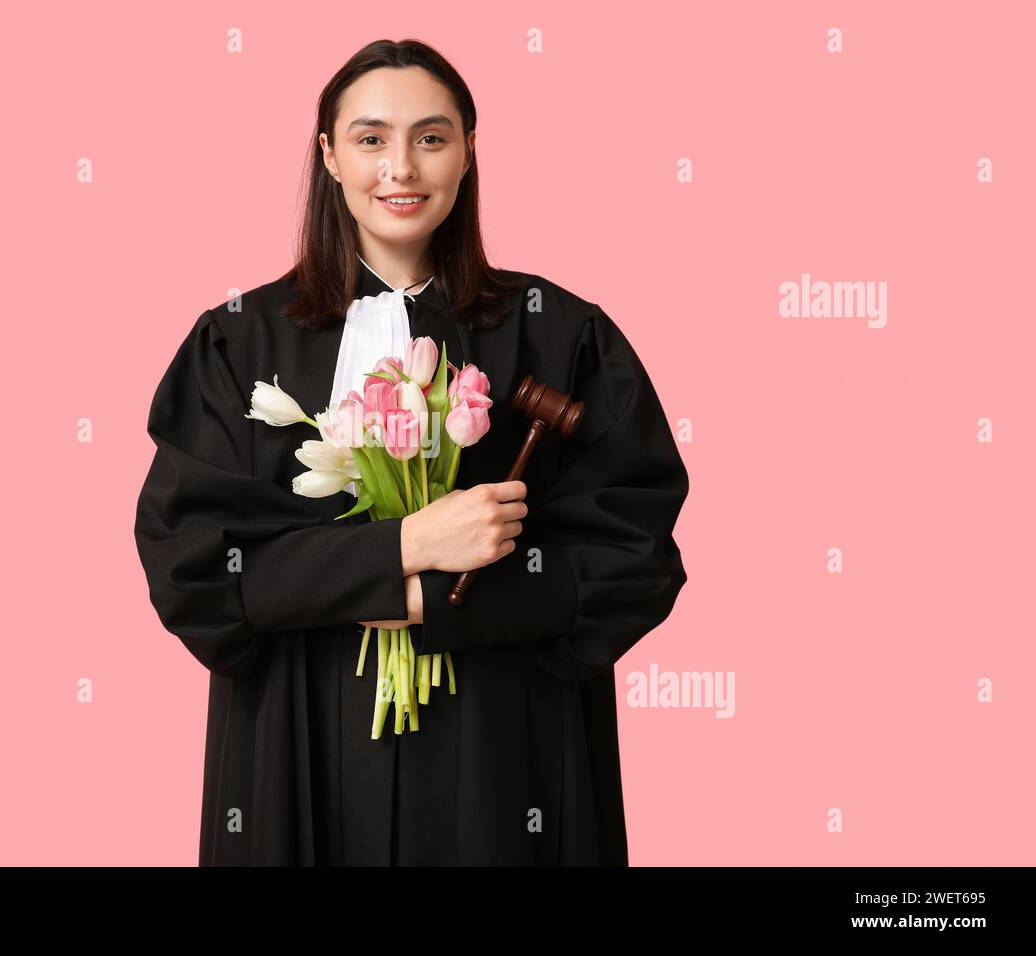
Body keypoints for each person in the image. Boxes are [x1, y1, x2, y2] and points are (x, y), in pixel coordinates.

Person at [133, 38, 689, 865]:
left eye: (431, 138)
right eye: (369, 139)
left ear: (468, 151)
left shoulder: (564, 335)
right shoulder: (237, 343)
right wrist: (403, 549)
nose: (401, 167)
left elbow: (636, 560)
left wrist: (438, 604)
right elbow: (196, 571)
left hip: (507, 755)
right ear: (327, 155)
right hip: (300, 743)